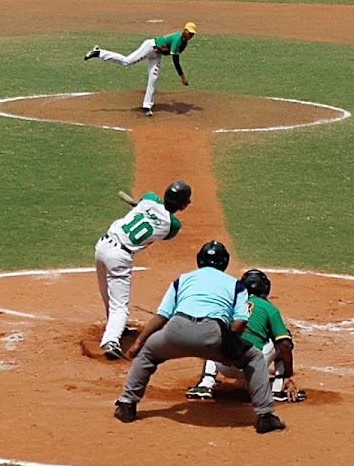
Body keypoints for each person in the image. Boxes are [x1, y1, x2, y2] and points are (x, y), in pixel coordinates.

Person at [112, 241, 286, 434]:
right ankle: (265, 416)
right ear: (224, 262)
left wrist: (138, 342)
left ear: (200, 260)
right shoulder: (236, 285)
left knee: (148, 353)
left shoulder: (182, 280)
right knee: (253, 358)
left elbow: (161, 317)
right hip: (212, 334)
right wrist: (228, 340)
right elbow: (240, 323)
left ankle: (127, 405)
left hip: (176, 330)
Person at [96, 181, 192, 360]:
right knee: (119, 306)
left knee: (107, 293)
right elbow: (160, 223)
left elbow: (146, 203)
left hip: (102, 246)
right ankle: (111, 341)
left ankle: (116, 326)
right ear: (182, 204)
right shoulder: (172, 225)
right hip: (119, 256)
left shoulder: (149, 198)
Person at [184, 269, 304, 403]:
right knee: (282, 338)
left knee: (218, 333)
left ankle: (206, 383)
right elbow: (285, 345)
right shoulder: (269, 307)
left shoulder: (229, 303)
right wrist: (289, 374)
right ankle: (277, 388)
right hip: (253, 365)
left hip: (224, 365)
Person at [84, 23, 196, 117]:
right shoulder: (178, 40)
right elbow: (175, 60)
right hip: (150, 48)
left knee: (153, 78)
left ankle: (147, 106)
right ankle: (99, 52)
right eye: (189, 33)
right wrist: (182, 76)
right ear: (184, 30)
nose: (190, 35)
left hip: (157, 54)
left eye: (192, 34)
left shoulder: (183, 42)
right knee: (127, 61)